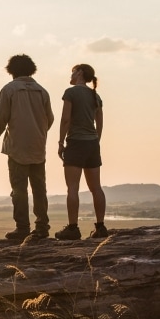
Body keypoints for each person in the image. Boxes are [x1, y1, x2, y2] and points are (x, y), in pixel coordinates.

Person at [0, 54, 54, 241]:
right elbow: (49, 118)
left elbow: (0, 117)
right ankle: (42, 226)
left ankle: (22, 228)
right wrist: (39, 131)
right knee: (39, 188)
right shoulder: (42, 91)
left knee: (19, 189)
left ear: (11, 71)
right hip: (38, 145)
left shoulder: (9, 90)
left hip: (17, 146)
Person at [54, 63, 109, 240]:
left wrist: (61, 142)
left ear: (80, 73)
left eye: (72, 72)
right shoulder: (95, 95)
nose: (70, 75)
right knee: (96, 188)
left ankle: (73, 228)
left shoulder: (71, 93)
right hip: (92, 143)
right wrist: (96, 141)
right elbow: (99, 123)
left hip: (76, 142)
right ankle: (100, 227)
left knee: (72, 188)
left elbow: (65, 119)